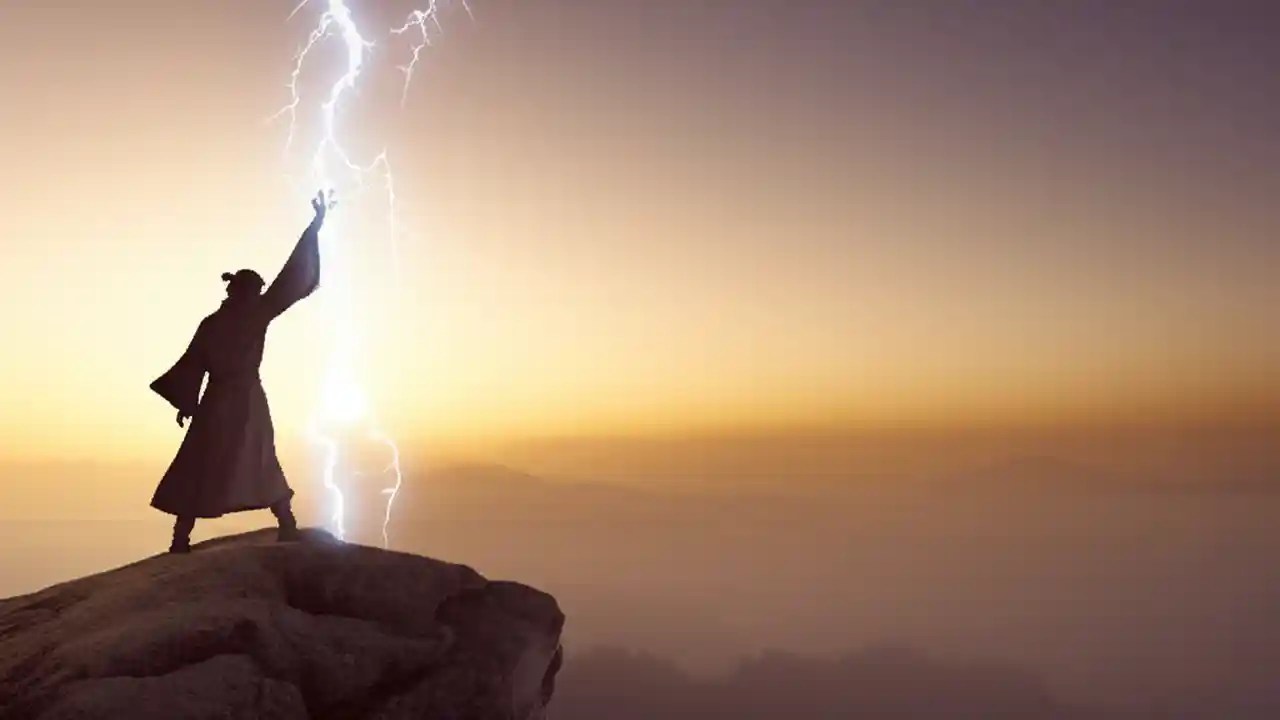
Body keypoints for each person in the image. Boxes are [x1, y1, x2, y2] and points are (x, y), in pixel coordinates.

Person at [149, 191, 332, 553]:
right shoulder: (254, 314)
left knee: (202, 462)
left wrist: (188, 401)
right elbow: (291, 280)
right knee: (258, 457)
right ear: (248, 292)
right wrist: (315, 227)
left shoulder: (214, 322)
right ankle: (287, 524)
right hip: (244, 400)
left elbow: (193, 363)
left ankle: (181, 538)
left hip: (218, 402)